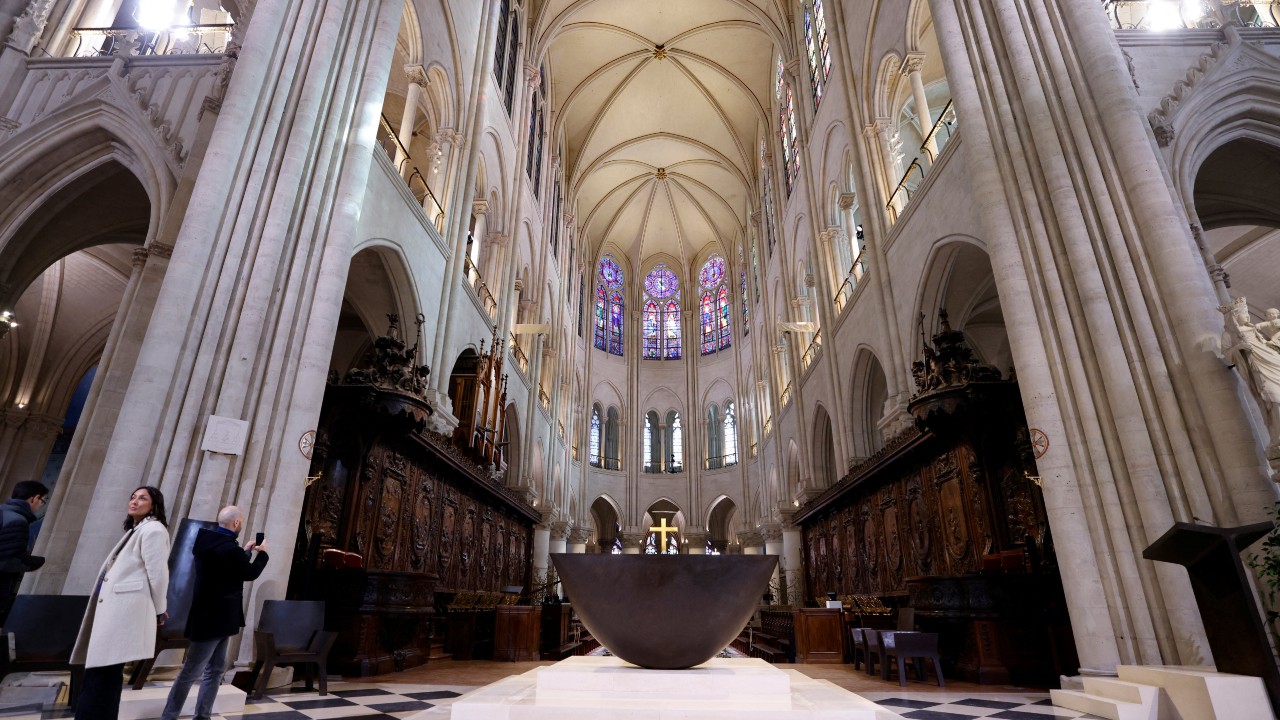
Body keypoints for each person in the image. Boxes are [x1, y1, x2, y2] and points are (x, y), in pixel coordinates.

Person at [72, 486, 171, 720]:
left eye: (142, 498)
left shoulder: (154, 530)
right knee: (101, 672)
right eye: (133, 497)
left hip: (125, 611)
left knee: (103, 672)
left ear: (154, 506)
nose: (134, 501)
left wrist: (160, 610)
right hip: (115, 609)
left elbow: (158, 574)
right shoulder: (137, 529)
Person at [160, 506, 268, 720]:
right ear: (236, 523)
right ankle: (169, 716)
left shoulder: (210, 542)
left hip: (213, 617)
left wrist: (245, 552)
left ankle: (203, 715)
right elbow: (249, 573)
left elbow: (229, 569)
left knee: (216, 668)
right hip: (217, 618)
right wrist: (262, 554)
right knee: (192, 671)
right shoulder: (229, 549)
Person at [0, 480, 48, 623]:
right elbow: (9, 561)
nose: (41, 505)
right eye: (43, 501)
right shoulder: (17, 521)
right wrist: (36, 562)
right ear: (34, 498)